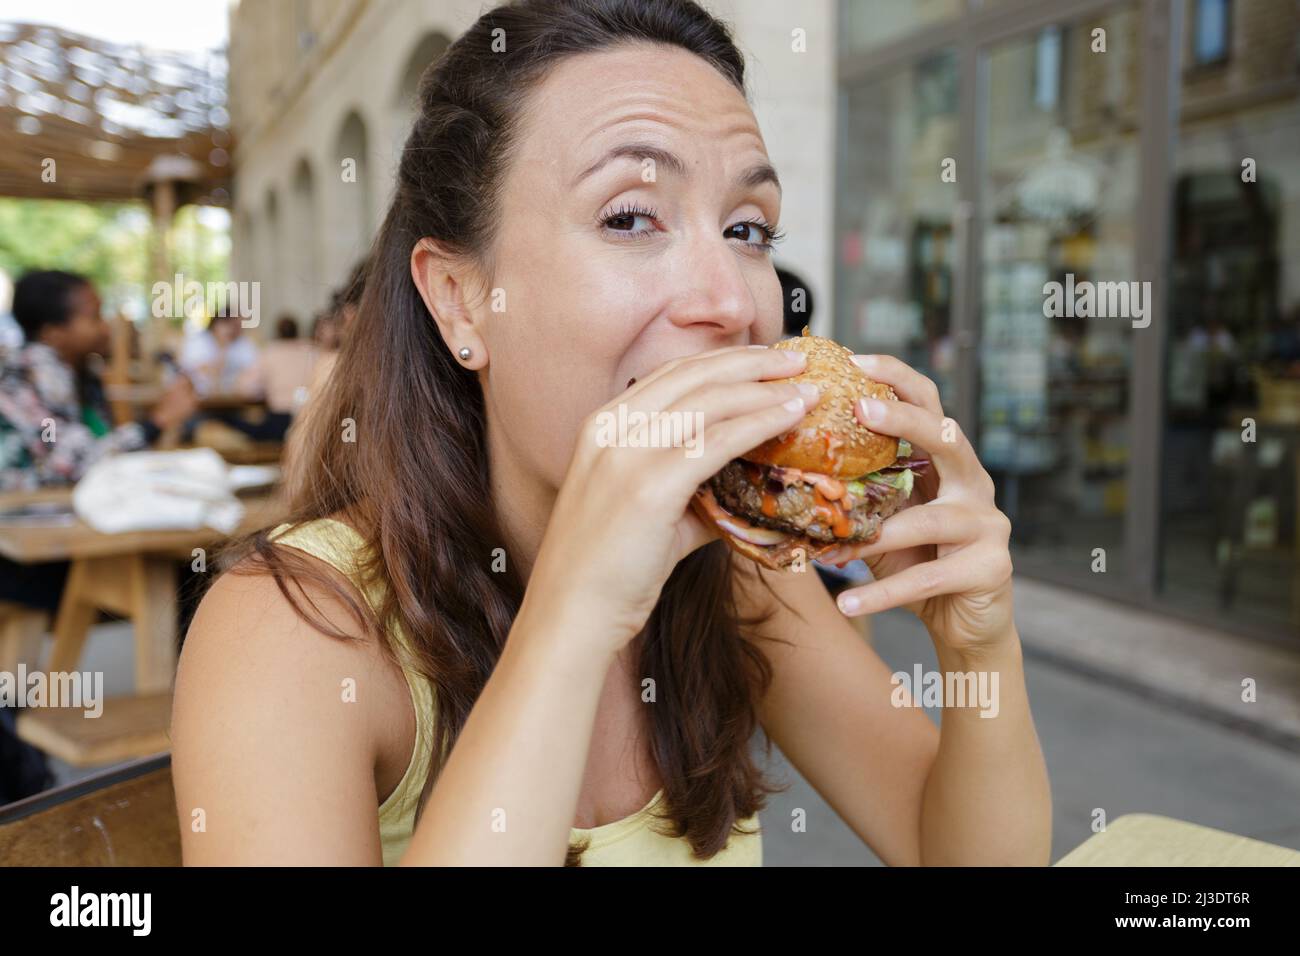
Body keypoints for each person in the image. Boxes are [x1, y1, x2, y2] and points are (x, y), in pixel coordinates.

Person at [172, 0, 1047, 867]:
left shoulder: (736, 577)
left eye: (748, 230)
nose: (732, 303)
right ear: (459, 297)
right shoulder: (287, 630)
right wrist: (577, 609)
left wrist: (980, 648)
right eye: (630, 216)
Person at [231, 315, 321, 442]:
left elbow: (245, 388)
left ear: (277, 332)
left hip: (280, 420)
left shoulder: (270, 352)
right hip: (310, 419)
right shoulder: (313, 351)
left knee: (236, 424)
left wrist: (265, 389)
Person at [178, 308, 260, 398]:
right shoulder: (198, 342)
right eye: (228, 324)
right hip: (201, 400)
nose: (232, 329)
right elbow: (194, 371)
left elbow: (254, 371)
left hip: (236, 400)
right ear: (216, 323)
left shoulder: (243, 344)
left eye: (237, 326)